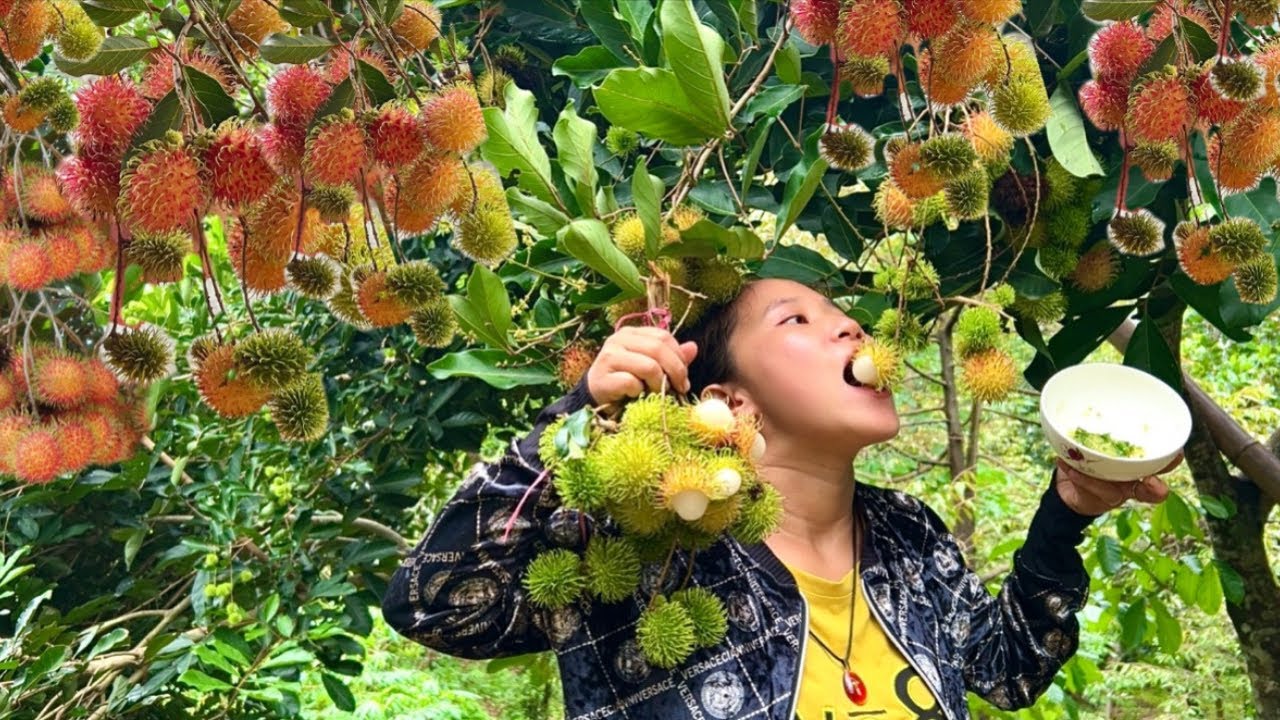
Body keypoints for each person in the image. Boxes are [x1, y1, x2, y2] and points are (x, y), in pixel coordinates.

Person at [382, 277, 1179, 720]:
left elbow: (1005, 673)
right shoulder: (644, 547)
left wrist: (1066, 511)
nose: (851, 334)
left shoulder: (907, 536)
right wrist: (577, 419)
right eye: (799, 318)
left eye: (847, 320)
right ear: (731, 400)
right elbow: (435, 604)